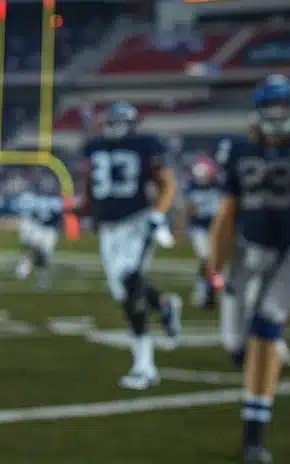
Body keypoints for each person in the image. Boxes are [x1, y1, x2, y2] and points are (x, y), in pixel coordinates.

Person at [210, 75, 290, 464]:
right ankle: (276, 353)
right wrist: (211, 273)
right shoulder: (236, 150)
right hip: (247, 253)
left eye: (286, 107)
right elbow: (225, 217)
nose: (279, 116)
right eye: (273, 107)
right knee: (236, 347)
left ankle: (253, 437)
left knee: (265, 329)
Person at [78, 101, 182, 390]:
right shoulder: (94, 146)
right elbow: (89, 184)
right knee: (124, 288)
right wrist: (84, 209)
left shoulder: (145, 144)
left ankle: (145, 366)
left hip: (137, 220)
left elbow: (167, 182)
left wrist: (159, 215)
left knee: (129, 283)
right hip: (108, 228)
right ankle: (164, 303)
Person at [185, 154, 224, 308]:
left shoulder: (219, 186)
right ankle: (206, 291)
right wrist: (181, 224)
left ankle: (212, 290)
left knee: (214, 262)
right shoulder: (192, 187)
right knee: (207, 260)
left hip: (216, 228)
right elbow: (189, 207)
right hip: (200, 228)